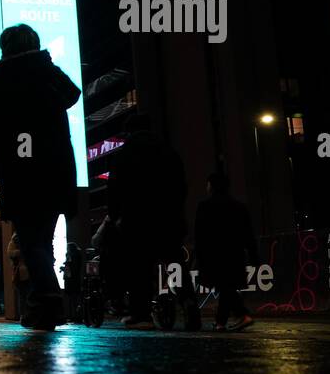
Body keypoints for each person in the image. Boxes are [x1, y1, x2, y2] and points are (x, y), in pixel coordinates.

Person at [0, 23, 79, 331]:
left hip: (20, 172)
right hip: (55, 170)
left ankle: (48, 299)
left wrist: (0, 135)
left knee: (32, 241)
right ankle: (43, 307)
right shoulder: (48, 72)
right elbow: (72, 93)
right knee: (42, 240)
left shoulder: (2, 78)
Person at [106, 113, 189, 328]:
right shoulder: (169, 152)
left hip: (137, 219)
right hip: (168, 217)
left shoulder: (124, 154)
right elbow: (181, 186)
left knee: (138, 267)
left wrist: (115, 216)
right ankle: (188, 303)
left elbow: (114, 189)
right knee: (175, 261)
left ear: (129, 132)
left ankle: (141, 314)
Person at [194, 172, 257, 331]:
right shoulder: (239, 206)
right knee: (226, 287)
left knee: (224, 287)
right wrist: (254, 256)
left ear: (212, 186)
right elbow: (248, 234)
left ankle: (242, 316)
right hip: (234, 255)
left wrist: (198, 257)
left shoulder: (204, 206)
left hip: (214, 256)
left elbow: (200, 234)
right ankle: (221, 322)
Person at [62, 243, 85, 323]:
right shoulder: (78, 255)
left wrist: (64, 267)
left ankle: (72, 316)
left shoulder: (70, 255)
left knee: (71, 299)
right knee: (76, 298)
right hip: (76, 279)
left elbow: (69, 267)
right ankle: (77, 316)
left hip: (70, 280)